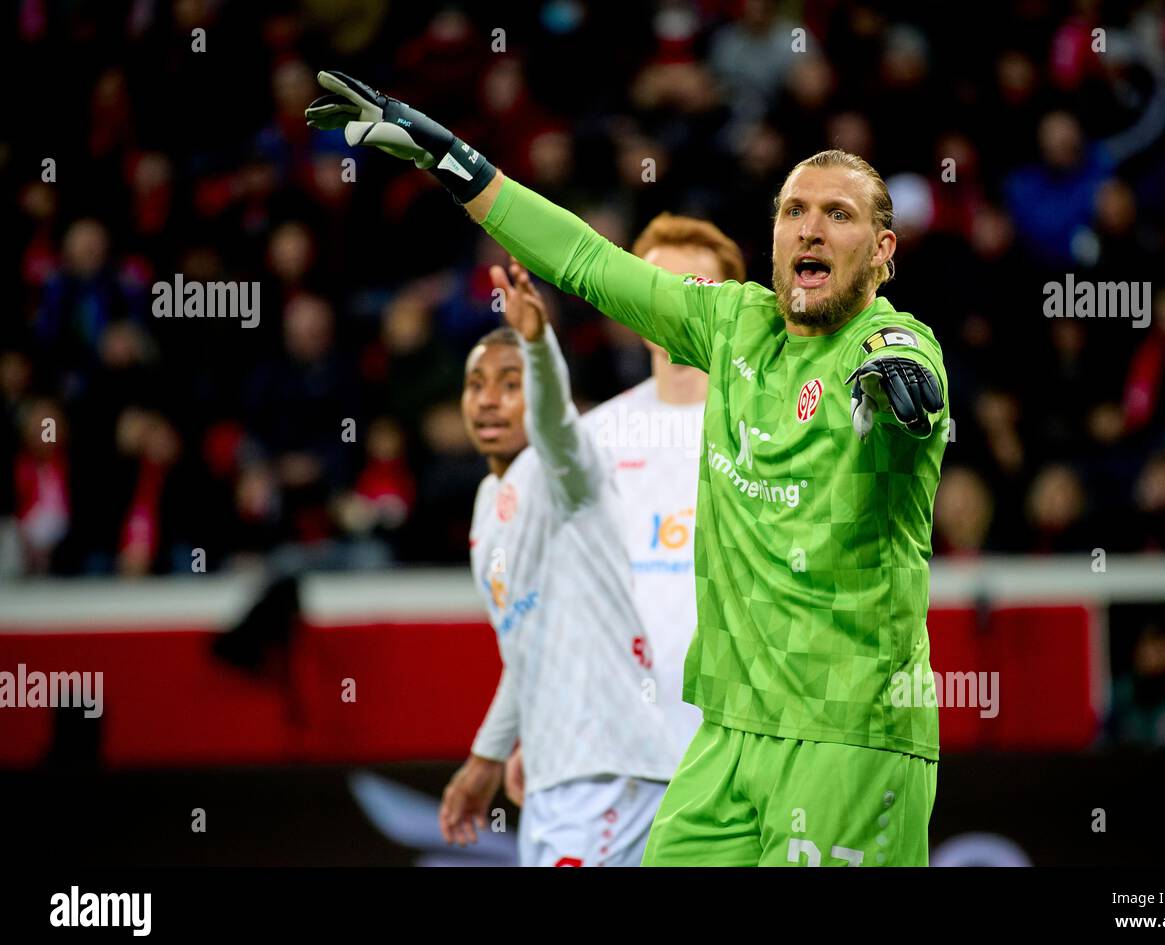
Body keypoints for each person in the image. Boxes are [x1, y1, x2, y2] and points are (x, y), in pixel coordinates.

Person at [308, 70, 948, 867]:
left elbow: (909, 388)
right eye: (794, 212)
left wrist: (900, 396)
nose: (810, 230)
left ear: (883, 250)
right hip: (725, 735)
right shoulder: (732, 325)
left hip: (846, 734)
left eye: (838, 215)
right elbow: (584, 259)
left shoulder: (891, 347)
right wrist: (452, 161)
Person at [439, 259, 680, 867]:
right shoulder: (488, 503)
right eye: (477, 384)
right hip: (554, 778)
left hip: (610, 770)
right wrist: (486, 758)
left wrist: (538, 343)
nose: (489, 401)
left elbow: (555, 424)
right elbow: (522, 648)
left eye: (510, 383)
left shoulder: (568, 471)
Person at [504, 214, 746, 807]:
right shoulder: (594, 438)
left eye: (699, 291)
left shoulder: (769, 433)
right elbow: (546, 592)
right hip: (613, 746)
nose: (677, 307)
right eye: (660, 289)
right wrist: (529, 724)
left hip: (739, 745)